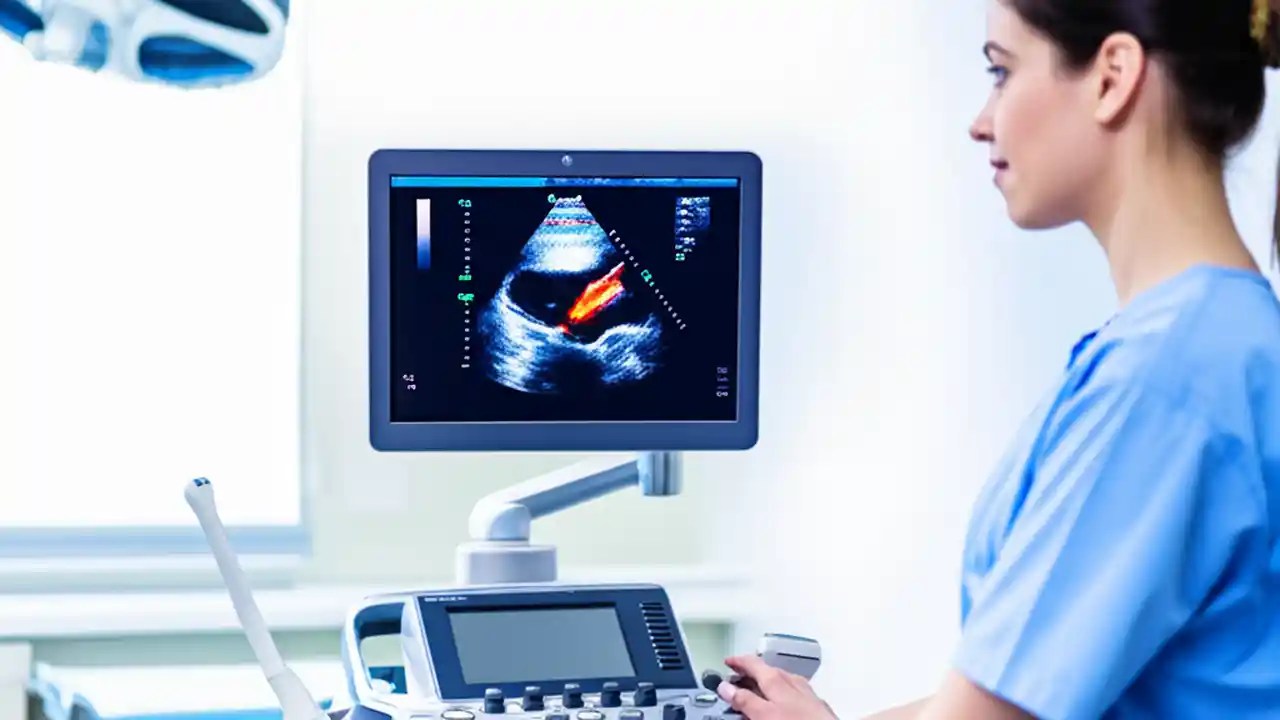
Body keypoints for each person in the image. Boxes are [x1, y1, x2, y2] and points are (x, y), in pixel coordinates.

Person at [716, 0, 1280, 718]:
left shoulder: (1167, 378)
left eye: (1001, 73)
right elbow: (1010, 694)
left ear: (1112, 76)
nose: (981, 121)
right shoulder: (1216, 340)